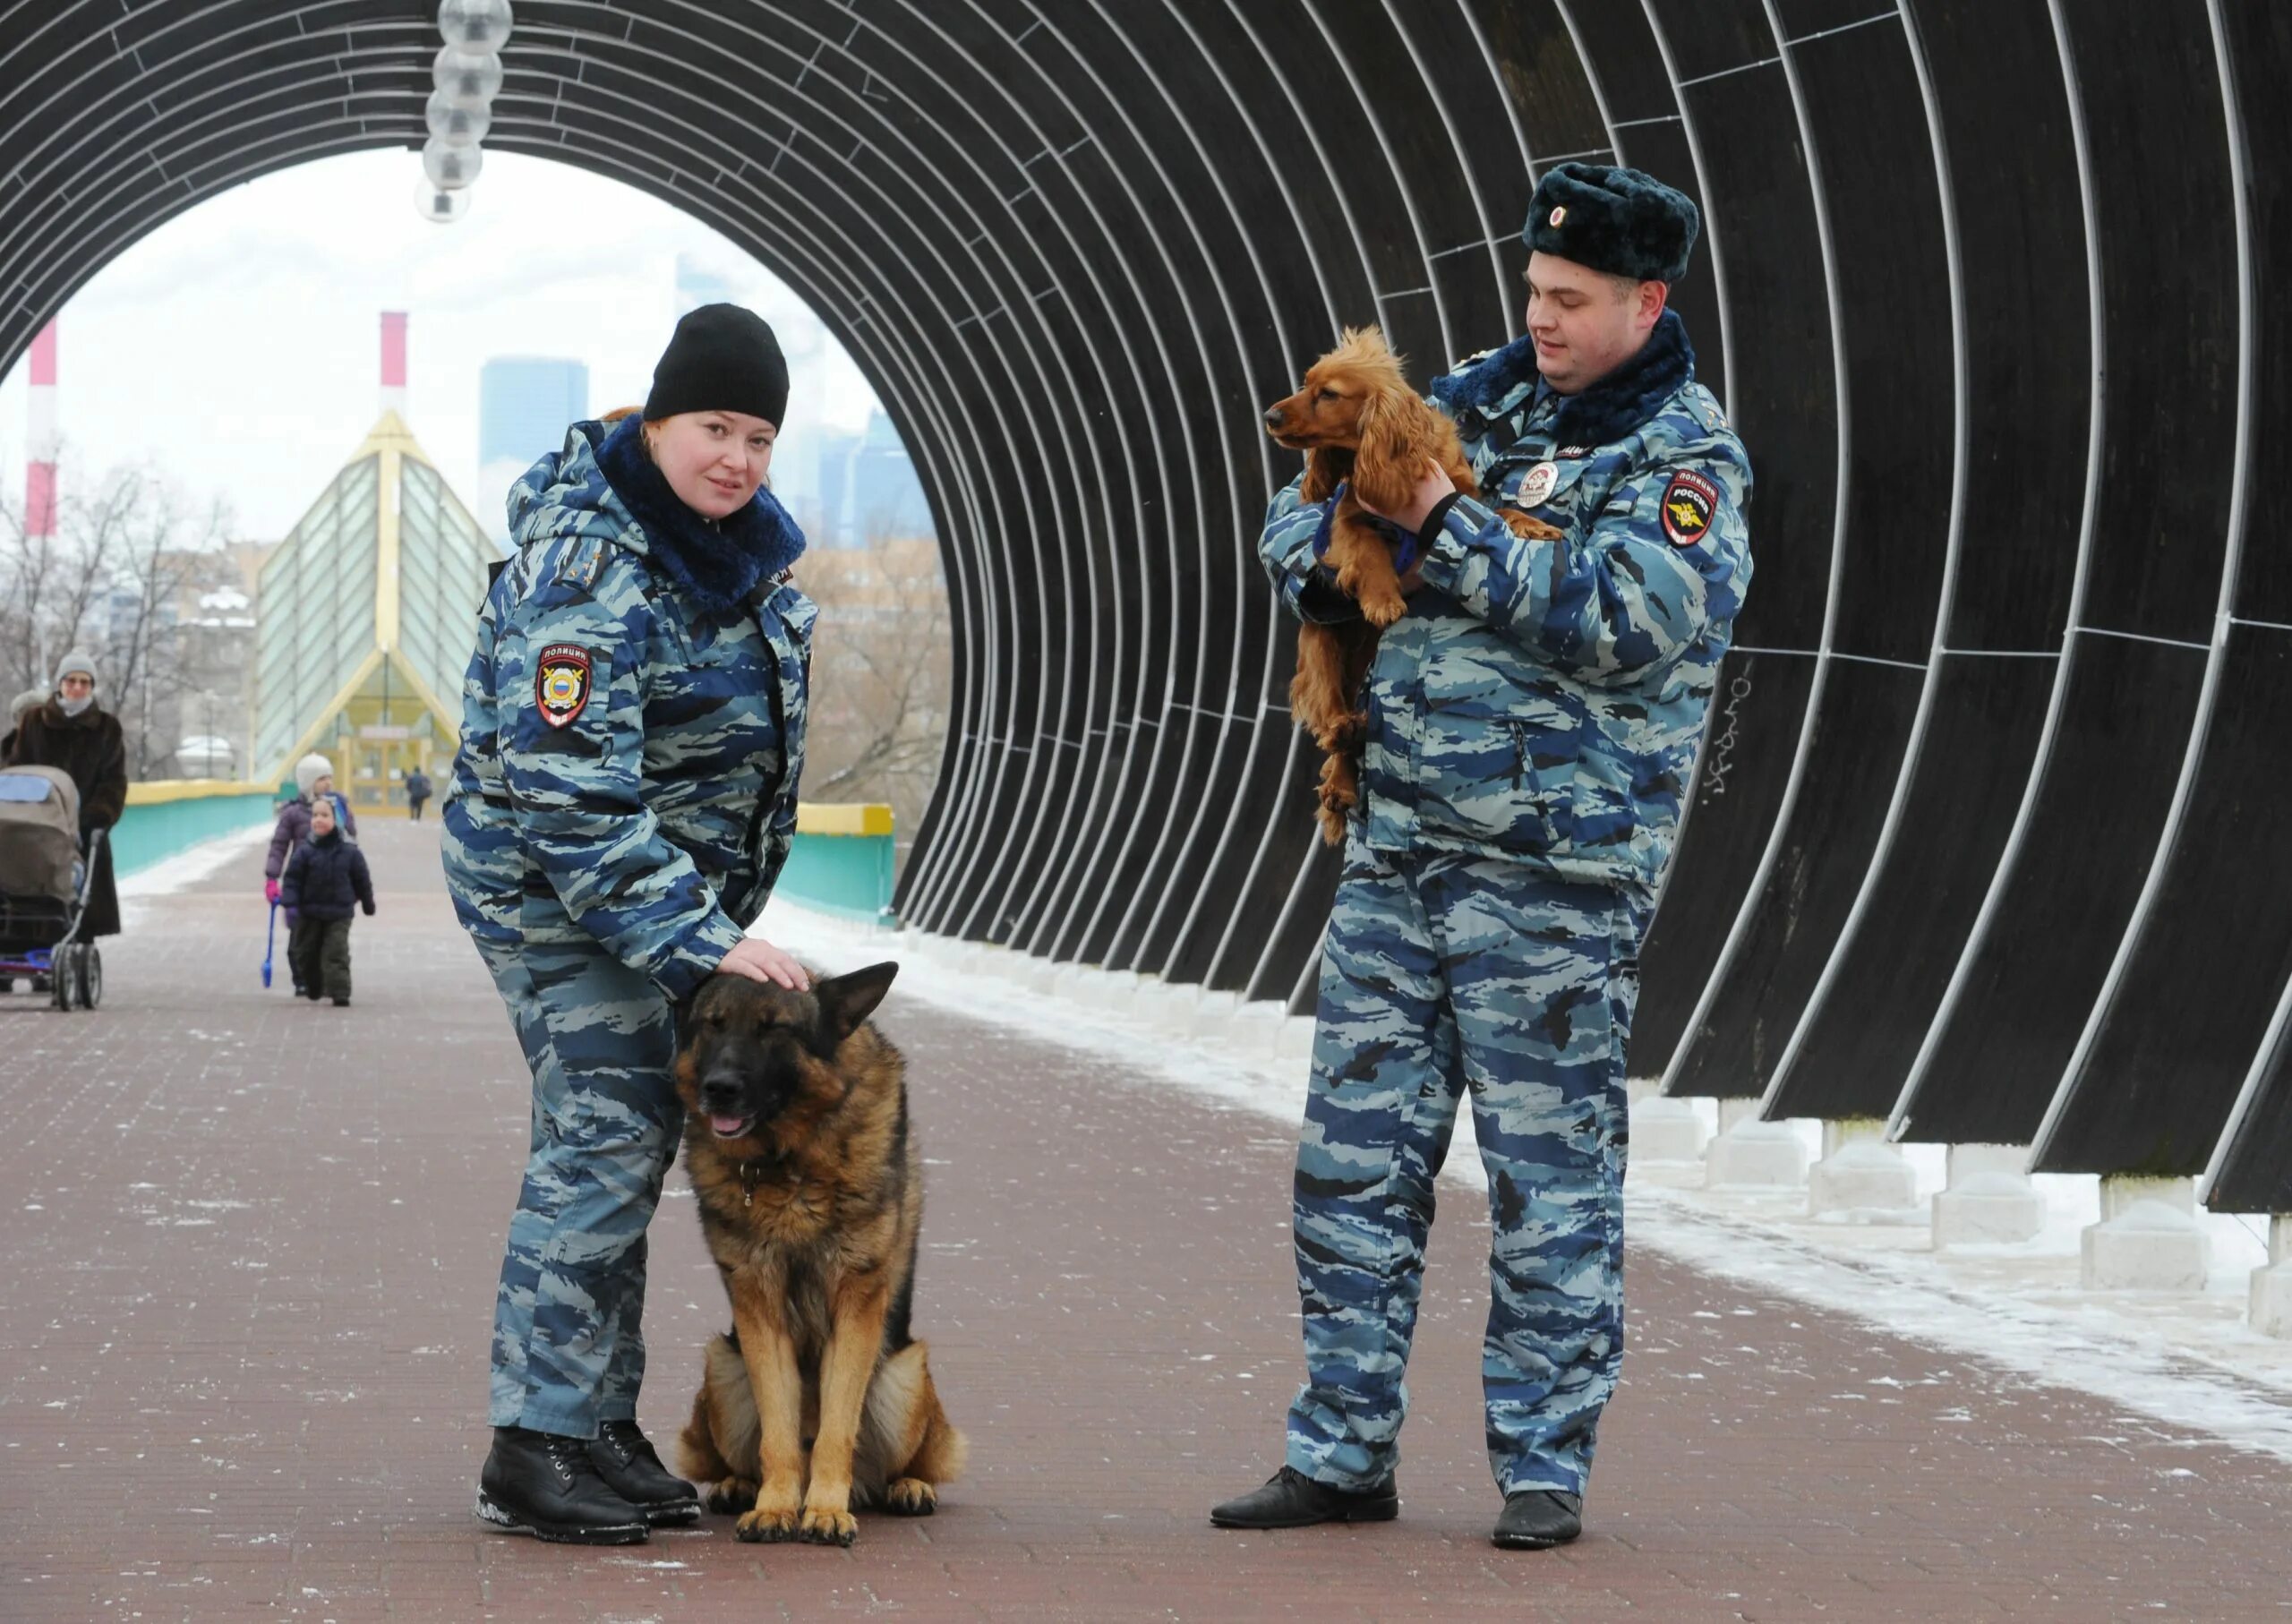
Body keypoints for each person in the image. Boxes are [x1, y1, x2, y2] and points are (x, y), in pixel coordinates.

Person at [1213, 164, 1753, 1551]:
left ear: (1650, 300)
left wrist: (1440, 525)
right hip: (1397, 858)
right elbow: (1298, 525)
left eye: (1572, 299)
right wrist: (1358, 542)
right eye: (1533, 290)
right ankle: (1339, 1451)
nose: (1544, 317)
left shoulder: (1683, 459)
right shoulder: (1475, 398)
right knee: (1350, 1170)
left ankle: (1542, 1465)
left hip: (1554, 884)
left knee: (1547, 1185)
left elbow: (1626, 620)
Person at [441, 303, 816, 1545]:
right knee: (601, 1133)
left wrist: (706, 919)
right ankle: (534, 1438)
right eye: (715, 425)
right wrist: (699, 940)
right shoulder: (584, 565)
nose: (738, 458)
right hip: (551, 888)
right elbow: (570, 790)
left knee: (628, 1135)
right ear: (656, 421)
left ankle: (597, 1422)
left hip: (647, 899)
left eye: (760, 435)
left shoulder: (729, 551)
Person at [3, 652, 128, 941]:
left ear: (91, 687)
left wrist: (99, 817)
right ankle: (27, 949)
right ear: (60, 683)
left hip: (84, 825)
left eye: (85, 682)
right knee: (29, 886)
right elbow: (18, 770)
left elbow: (114, 780)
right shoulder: (35, 722)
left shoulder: (107, 728)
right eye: (71, 680)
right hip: (39, 823)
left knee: (80, 899)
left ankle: (78, 951)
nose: (77, 688)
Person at [265, 755, 358, 997]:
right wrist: (272, 878)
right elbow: (279, 847)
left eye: (329, 777)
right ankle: (302, 980)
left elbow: (351, 840)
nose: (328, 783)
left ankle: (326, 982)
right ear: (308, 782)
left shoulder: (338, 807)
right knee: (301, 938)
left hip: (333, 886)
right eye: (321, 779)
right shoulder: (293, 814)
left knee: (330, 940)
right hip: (301, 887)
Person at [279, 795, 373, 1006]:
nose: (318, 820)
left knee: (335, 952)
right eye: (314, 815)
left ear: (337, 820)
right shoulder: (305, 850)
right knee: (304, 952)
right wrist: (291, 904)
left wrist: (368, 903)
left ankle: (340, 992)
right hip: (309, 912)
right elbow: (292, 879)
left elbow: (362, 879)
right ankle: (315, 985)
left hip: (339, 913)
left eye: (324, 815)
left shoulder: (350, 851)